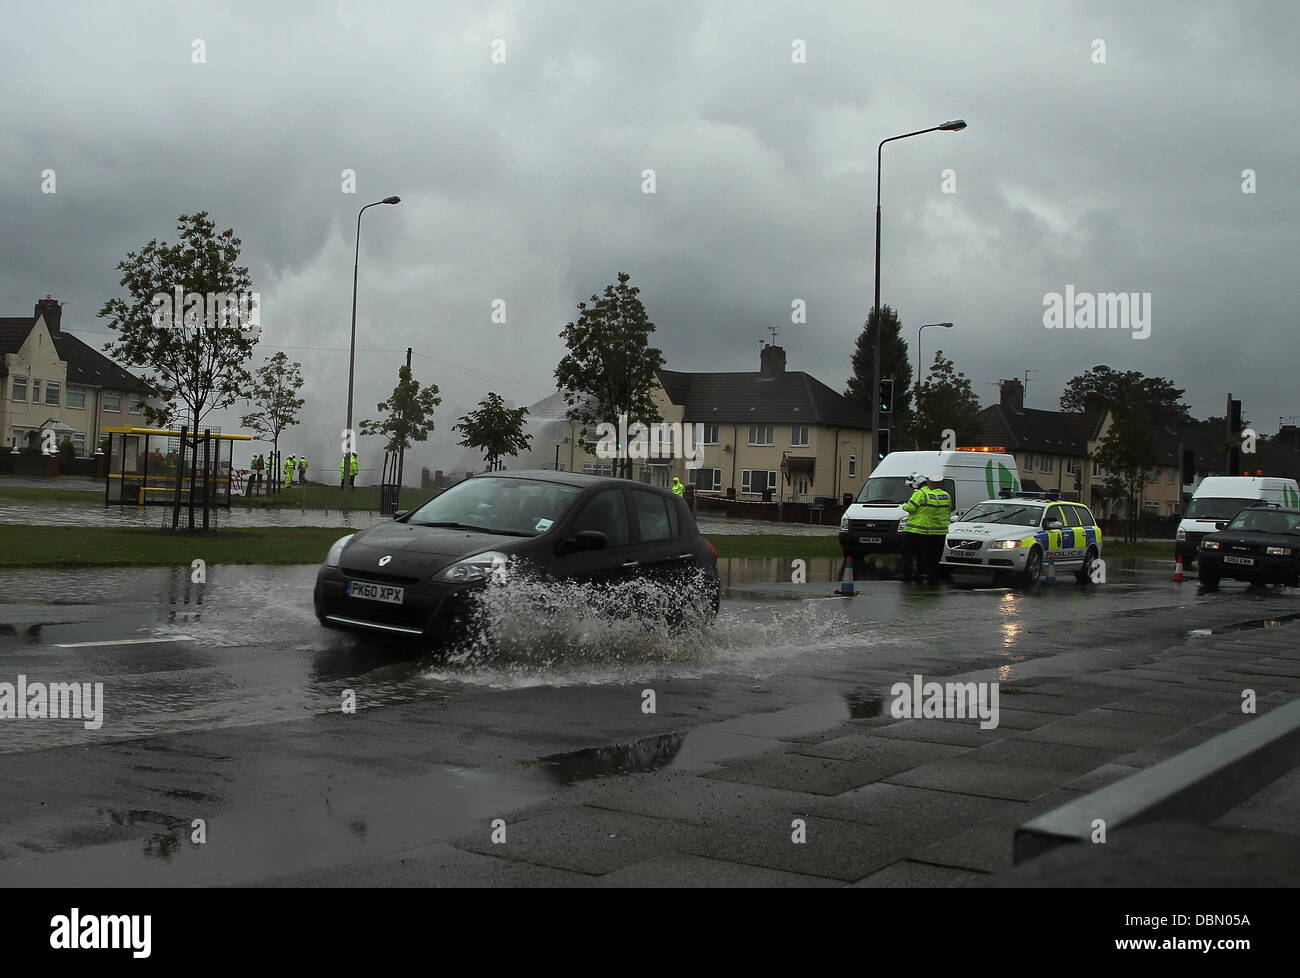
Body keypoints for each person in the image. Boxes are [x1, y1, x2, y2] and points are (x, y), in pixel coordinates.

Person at [899, 472, 951, 584]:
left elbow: (911, 508)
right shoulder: (942, 495)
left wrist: (903, 505)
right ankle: (926, 575)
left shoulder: (920, 493)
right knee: (929, 556)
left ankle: (907, 576)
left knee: (908, 554)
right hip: (935, 530)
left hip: (914, 529)